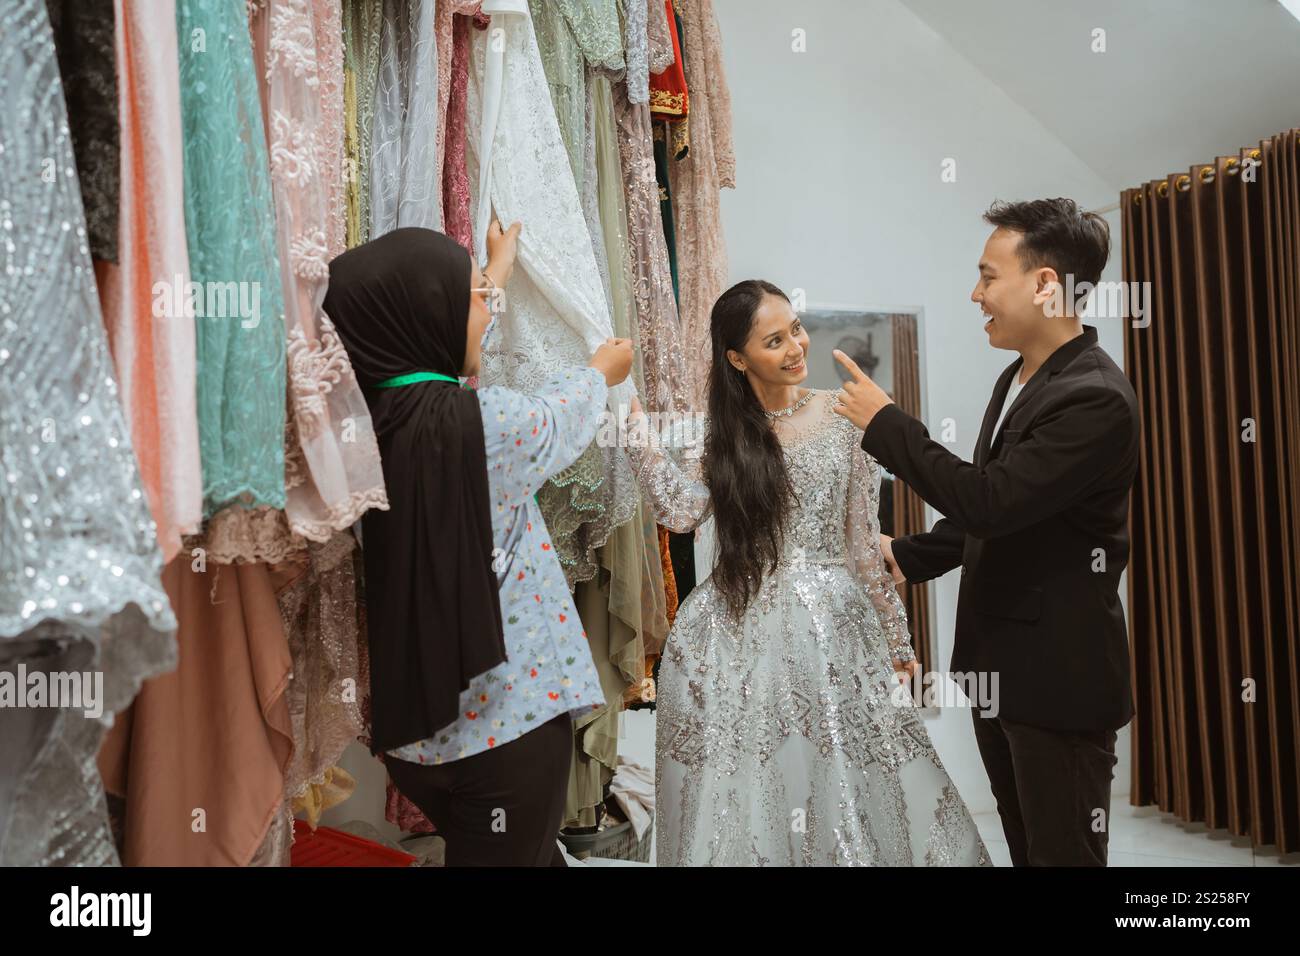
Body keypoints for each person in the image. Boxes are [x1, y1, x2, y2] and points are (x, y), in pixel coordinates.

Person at [626, 278, 989, 866]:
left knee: (844, 782)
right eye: (775, 341)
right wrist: (631, 422)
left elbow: (861, 544)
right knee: (748, 792)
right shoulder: (718, 435)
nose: (796, 347)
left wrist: (898, 641)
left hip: (833, 634)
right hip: (734, 638)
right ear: (738, 359)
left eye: (795, 329)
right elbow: (680, 511)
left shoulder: (844, 418)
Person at [833, 198, 1139, 866]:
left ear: (1044, 284)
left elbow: (991, 501)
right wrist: (906, 554)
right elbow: (1014, 512)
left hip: (1059, 681)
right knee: (1027, 851)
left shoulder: (1096, 397)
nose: (976, 295)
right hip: (1001, 669)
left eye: (987, 276)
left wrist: (886, 421)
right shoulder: (1020, 376)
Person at [324, 223, 634, 866]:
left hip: (418, 739)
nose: (486, 309)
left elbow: (440, 338)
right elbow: (556, 419)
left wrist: (496, 269)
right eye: (475, 297)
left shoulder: (355, 427)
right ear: (433, 313)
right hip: (505, 729)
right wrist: (599, 373)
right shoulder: (483, 426)